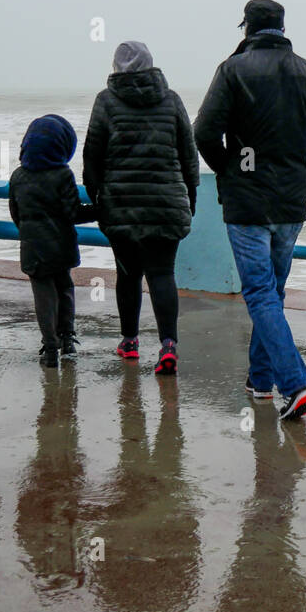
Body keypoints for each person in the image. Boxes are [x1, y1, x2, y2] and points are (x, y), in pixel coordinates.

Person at [194, 0, 306, 421]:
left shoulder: (232, 70)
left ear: (247, 28)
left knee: (260, 293)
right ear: (281, 27)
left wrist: (228, 170)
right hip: (292, 200)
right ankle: (261, 380)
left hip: (247, 202)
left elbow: (202, 131)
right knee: (270, 292)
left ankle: (295, 384)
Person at [83, 41, 199, 376]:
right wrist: (190, 195)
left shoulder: (106, 101)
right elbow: (188, 153)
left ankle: (130, 342)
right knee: (163, 273)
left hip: (121, 206)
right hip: (167, 203)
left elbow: (93, 153)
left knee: (128, 274)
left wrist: (97, 195)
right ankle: (168, 346)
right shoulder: (172, 99)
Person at [8, 115, 95, 367]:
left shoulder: (17, 176)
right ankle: (68, 341)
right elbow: (73, 213)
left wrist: (28, 233)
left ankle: (49, 348)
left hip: (32, 248)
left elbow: (16, 213)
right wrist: (99, 209)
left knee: (43, 296)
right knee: (65, 288)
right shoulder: (63, 174)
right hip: (61, 245)